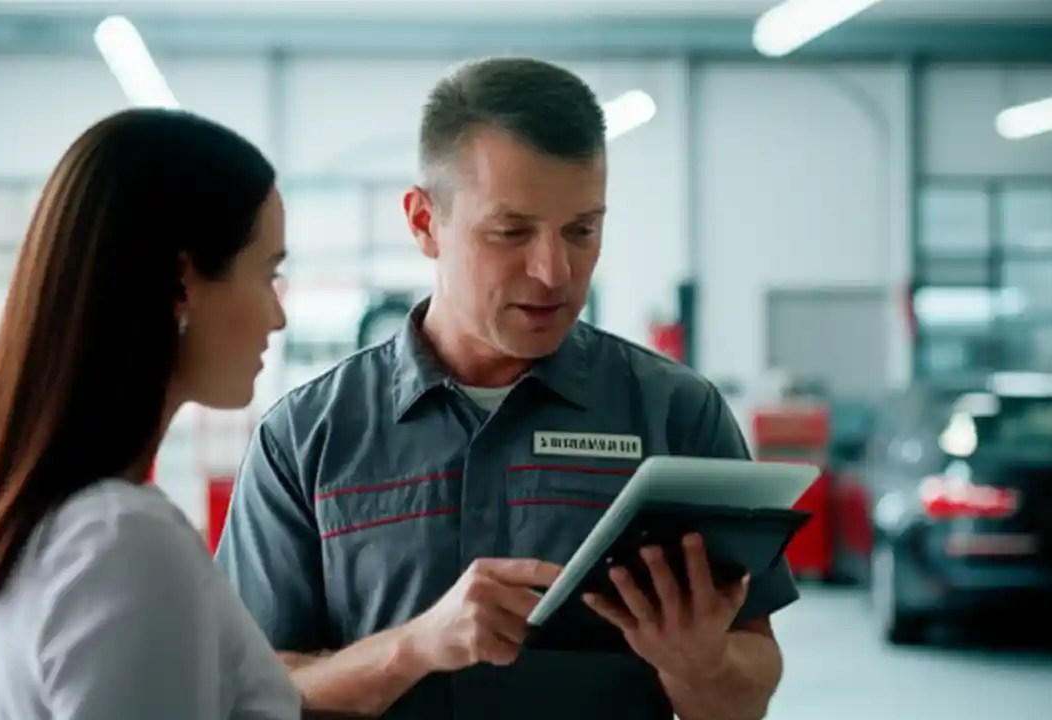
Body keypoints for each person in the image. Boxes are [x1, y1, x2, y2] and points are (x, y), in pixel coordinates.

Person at [216, 57, 796, 720]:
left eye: (583, 230)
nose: (554, 271)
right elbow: (250, 693)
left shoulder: (677, 414)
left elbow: (749, 685)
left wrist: (702, 665)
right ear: (423, 222)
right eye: (510, 232)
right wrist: (413, 648)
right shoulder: (306, 436)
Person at [0, 108, 302, 720]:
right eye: (268, 274)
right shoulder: (124, 543)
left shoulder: (75, 526)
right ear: (183, 283)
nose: (277, 316)